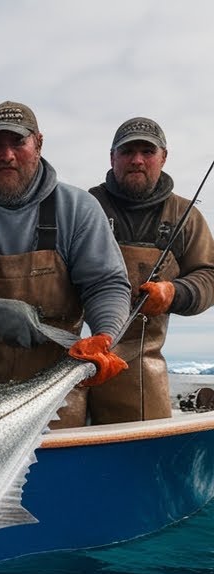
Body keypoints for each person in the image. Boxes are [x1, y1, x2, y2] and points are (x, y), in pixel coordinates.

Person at [0, 100, 131, 427]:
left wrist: (104, 336)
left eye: (18, 142)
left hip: (57, 398)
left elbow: (105, 284)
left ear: (38, 144)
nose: (6, 155)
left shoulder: (79, 209)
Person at [87, 117, 214, 423]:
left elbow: (209, 275)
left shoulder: (186, 216)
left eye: (147, 151)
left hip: (140, 375)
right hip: (70, 366)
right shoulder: (84, 206)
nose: (137, 160)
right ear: (112, 157)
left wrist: (175, 293)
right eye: (128, 151)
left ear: (163, 157)